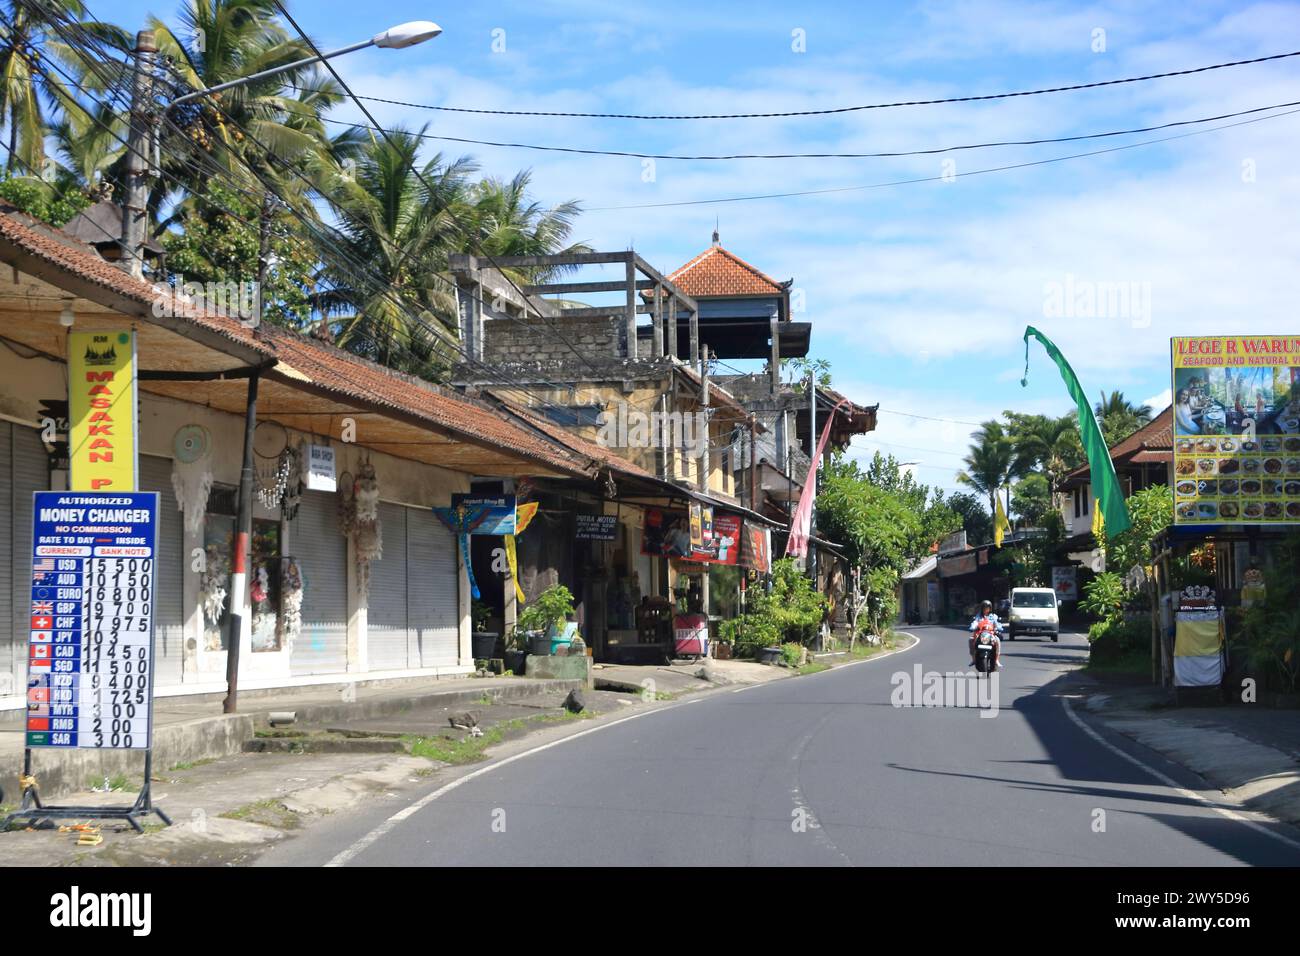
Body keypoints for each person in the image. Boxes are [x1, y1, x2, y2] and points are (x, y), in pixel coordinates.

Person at [968, 599, 1003, 670]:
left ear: (990, 608)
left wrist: (998, 628)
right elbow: (975, 623)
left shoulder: (993, 616)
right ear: (982, 608)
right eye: (984, 608)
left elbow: (997, 624)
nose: (986, 609)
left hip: (991, 634)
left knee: (997, 640)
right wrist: (972, 627)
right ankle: (974, 659)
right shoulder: (978, 616)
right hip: (980, 634)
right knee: (971, 640)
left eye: (987, 608)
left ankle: (996, 660)